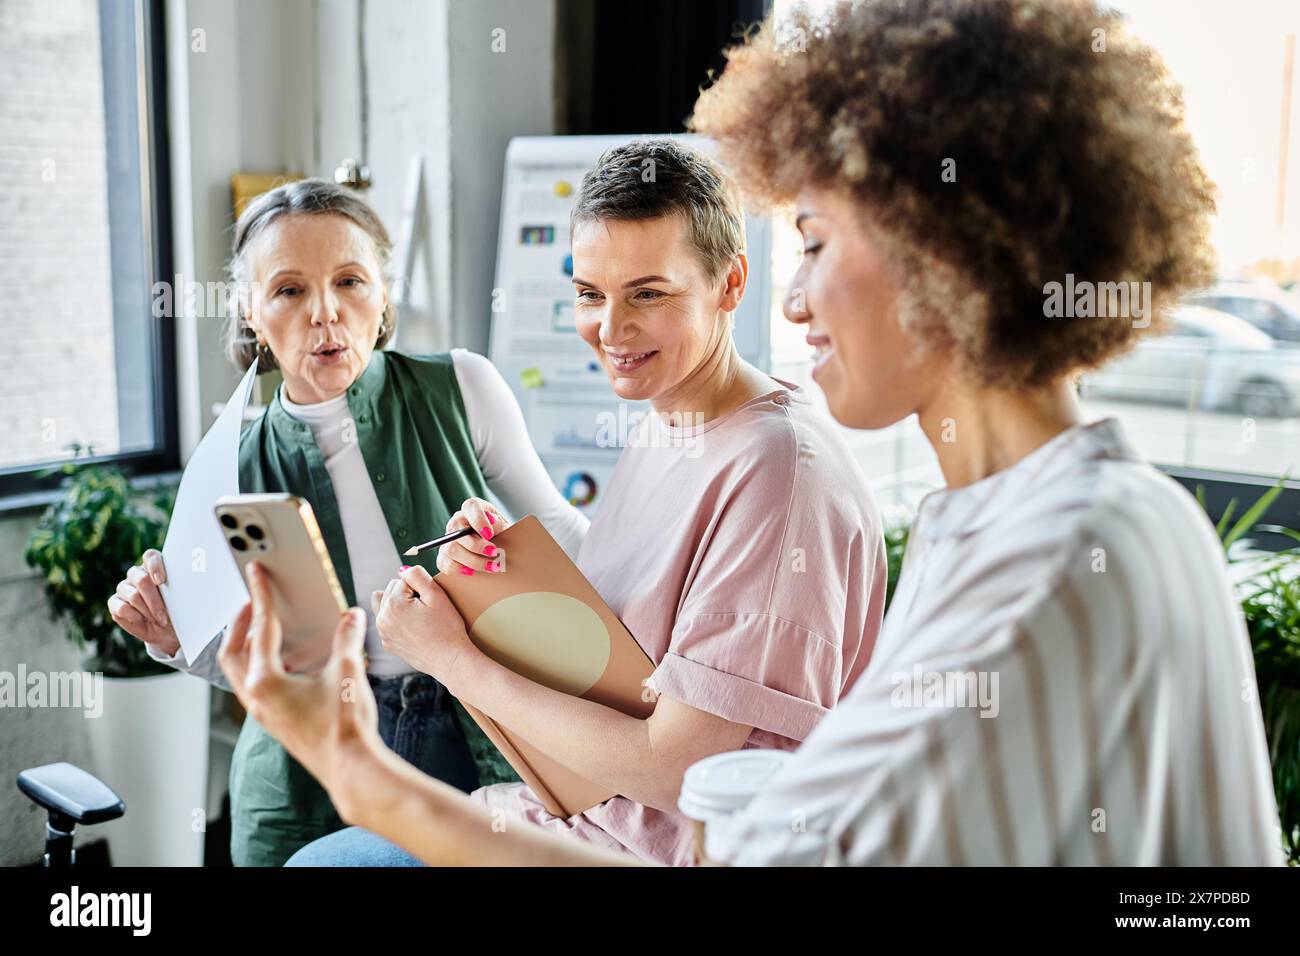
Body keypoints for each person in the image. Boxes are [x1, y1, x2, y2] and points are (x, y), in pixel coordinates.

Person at [218, 0, 1283, 864]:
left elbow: (723, 818)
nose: (800, 300)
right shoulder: (1021, 518)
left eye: (814, 242)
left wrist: (367, 761)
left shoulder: (1043, 570)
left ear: (946, 250)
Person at [283, 139, 887, 866]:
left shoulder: (779, 474)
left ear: (731, 284)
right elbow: (633, 650)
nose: (611, 329)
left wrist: (452, 660)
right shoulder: (670, 416)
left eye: (648, 294)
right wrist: (505, 572)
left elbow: (675, 770)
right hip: (564, 816)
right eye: (589, 293)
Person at [107, 178, 586, 866]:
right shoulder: (226, 467)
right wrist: (171, 639)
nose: (325, 313)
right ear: (251, 312)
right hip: (307, 757)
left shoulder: (462, 388)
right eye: (289, 290)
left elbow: (562, 533)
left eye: (350, 282)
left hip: (469, 726)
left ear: (383, 293)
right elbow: (244, 660)